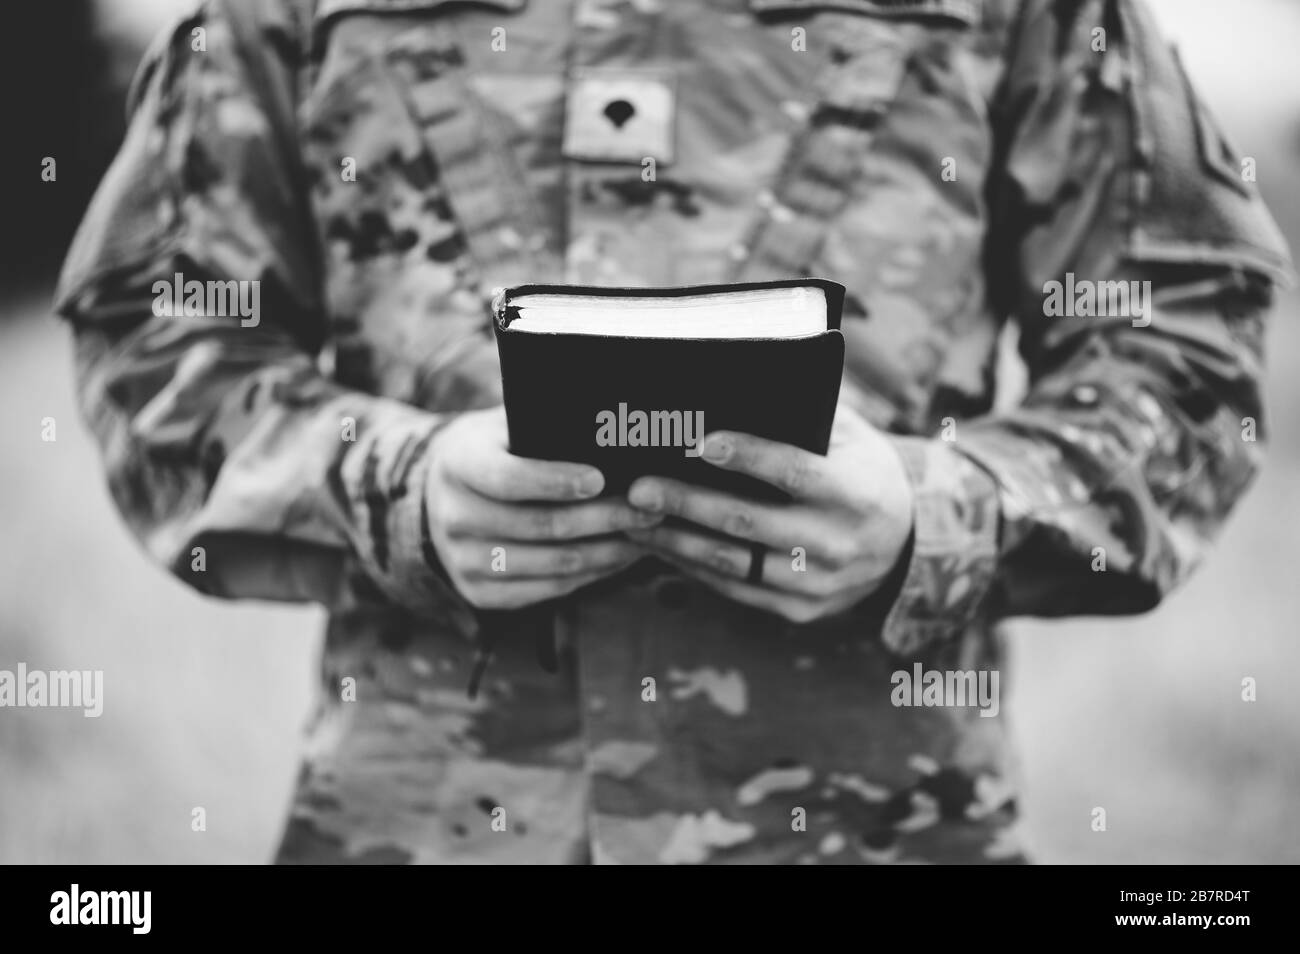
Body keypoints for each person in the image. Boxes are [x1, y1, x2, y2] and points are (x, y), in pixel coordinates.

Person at [55, 0, 1292, 864]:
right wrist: (396, 487)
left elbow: (1181, 335)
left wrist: (940, 517)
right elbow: (155, 325)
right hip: (423, 828)